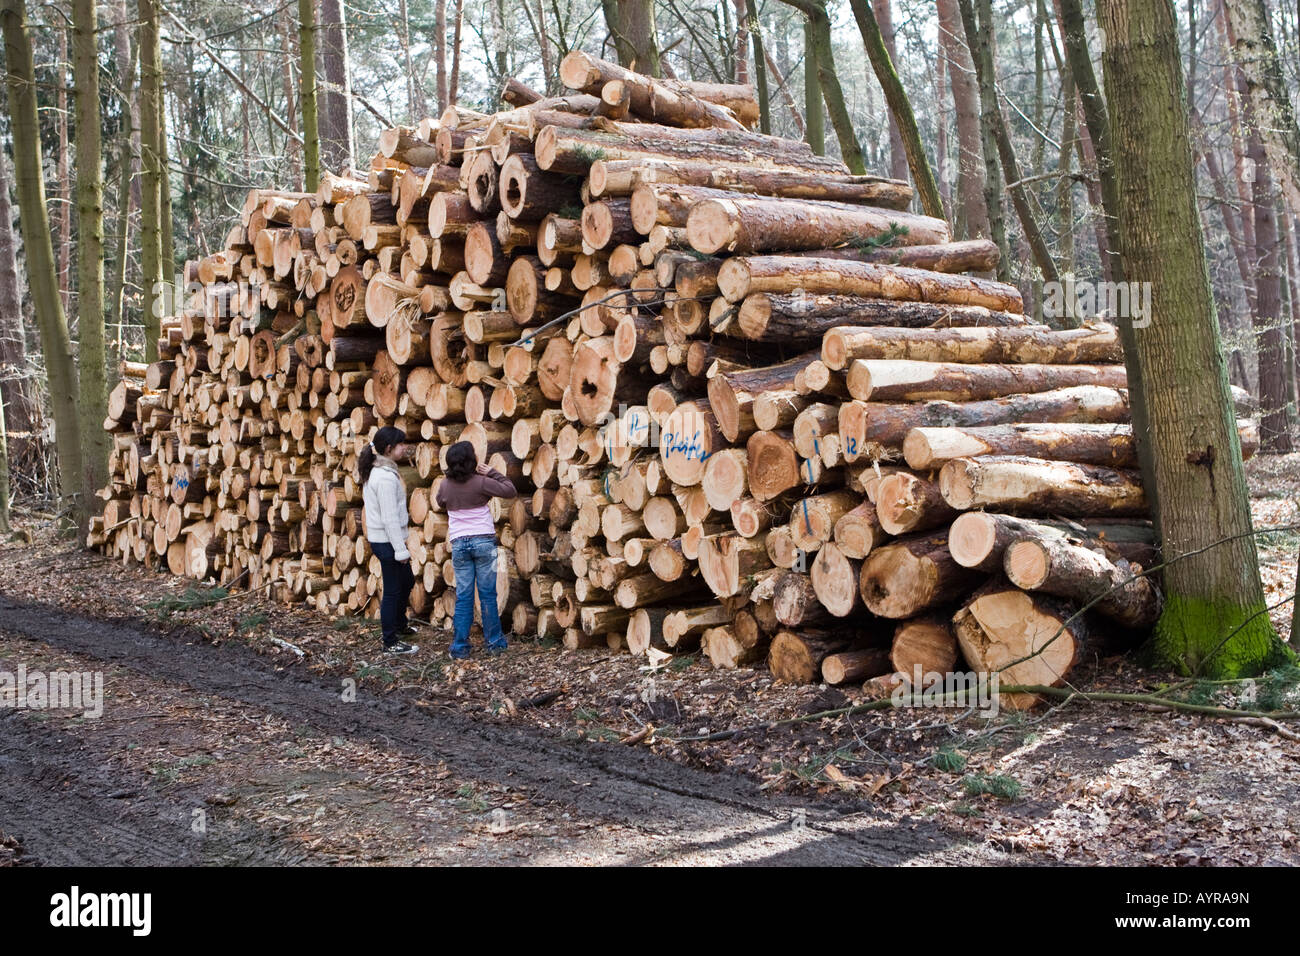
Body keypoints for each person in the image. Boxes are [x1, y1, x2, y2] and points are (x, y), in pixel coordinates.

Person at [435, 441, 517, 659]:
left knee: (463, 596)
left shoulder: (445, 485)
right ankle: (495, 643)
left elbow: (440, 502)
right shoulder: (481, 482)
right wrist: (492, 473)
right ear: (471, 460)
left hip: (460, 544)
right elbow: (510, 490)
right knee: (488, 595)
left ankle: (460, 646)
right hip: (484, 542)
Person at [360, 426, 420, 655]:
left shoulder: (381, 470)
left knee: (407, 581)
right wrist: (400, 550)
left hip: (386, 540)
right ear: (388, 448)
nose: (405, 448)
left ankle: (399, 625)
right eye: (401, 445)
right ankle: (390, 642)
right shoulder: (383, 477)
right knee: (394, 590)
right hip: (386, 541)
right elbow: (389, 518)